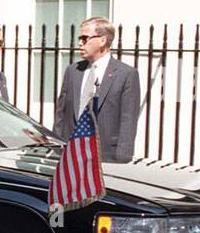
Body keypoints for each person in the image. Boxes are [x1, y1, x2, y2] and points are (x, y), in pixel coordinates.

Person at [53, 16, 140, 163]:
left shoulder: (126, 74)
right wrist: (57, 149)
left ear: (102, 40)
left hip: (105, 157)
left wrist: (122, 158)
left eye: (85, 38)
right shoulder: (73, 71)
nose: (80, 43)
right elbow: (61, 113)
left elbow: (128, 120)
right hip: (71, 155)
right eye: (79, 38)